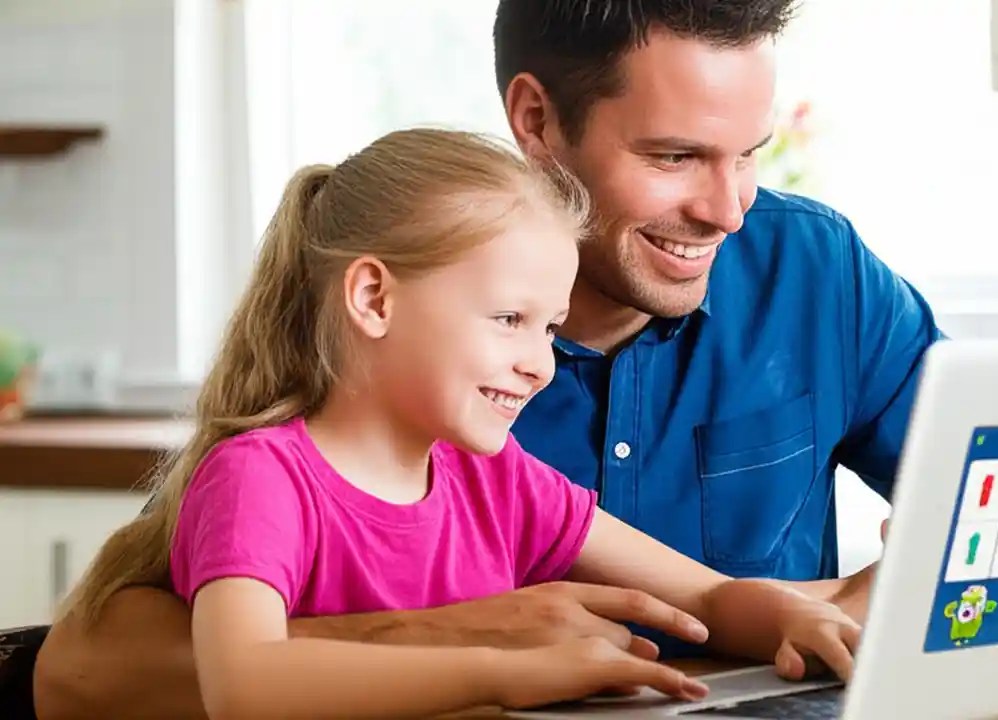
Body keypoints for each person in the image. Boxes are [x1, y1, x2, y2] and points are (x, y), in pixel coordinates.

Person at [33, 1, 943, 718]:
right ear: (537, 118)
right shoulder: (310, 450)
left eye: (749, 155)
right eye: (674, 156)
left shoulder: (814, 272)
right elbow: (112, 667)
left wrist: (821, 607)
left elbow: (733, 592)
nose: (729, 210)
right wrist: (469, 644)